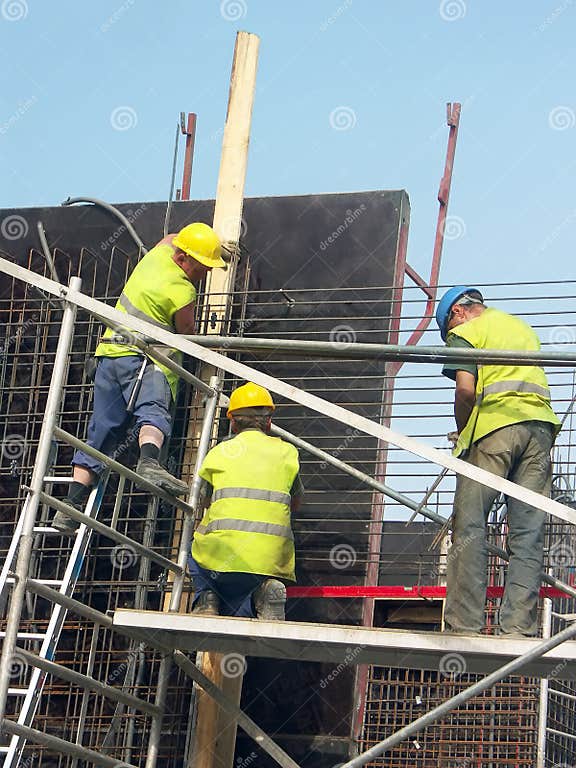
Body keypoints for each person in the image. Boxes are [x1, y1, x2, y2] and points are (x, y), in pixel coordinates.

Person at [53, 222, 225, 534]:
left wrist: (211, 246)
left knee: (102, 432)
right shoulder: (183, 290)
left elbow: (171, 237)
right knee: (153, 410)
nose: (205, 273)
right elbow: (186, 332)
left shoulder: (155, 256)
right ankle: (149, 463)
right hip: (144, 359)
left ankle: (69, 507)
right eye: (203, 266)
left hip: (109, 354)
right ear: (184, 259)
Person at [436, 286, 560, 636]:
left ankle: (465, 626)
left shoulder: (467, 331)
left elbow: (465, 390)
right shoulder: (520, 327)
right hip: (539, 431)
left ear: (457, 313)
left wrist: (464, 434)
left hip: (495, 430)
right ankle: (518, 628)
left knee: (470, 526)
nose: (451, 336)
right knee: (528, 533)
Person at [189, 382, 304, 621]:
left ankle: (207, 598)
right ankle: (262, 593)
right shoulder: (287, 452)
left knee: (195, 552)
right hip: (270, 560)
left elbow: (205, 501)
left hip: (220, 557)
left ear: (233, 422)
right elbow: (295, 503)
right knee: (243, 599)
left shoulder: (219, 452)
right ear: (268, 422)